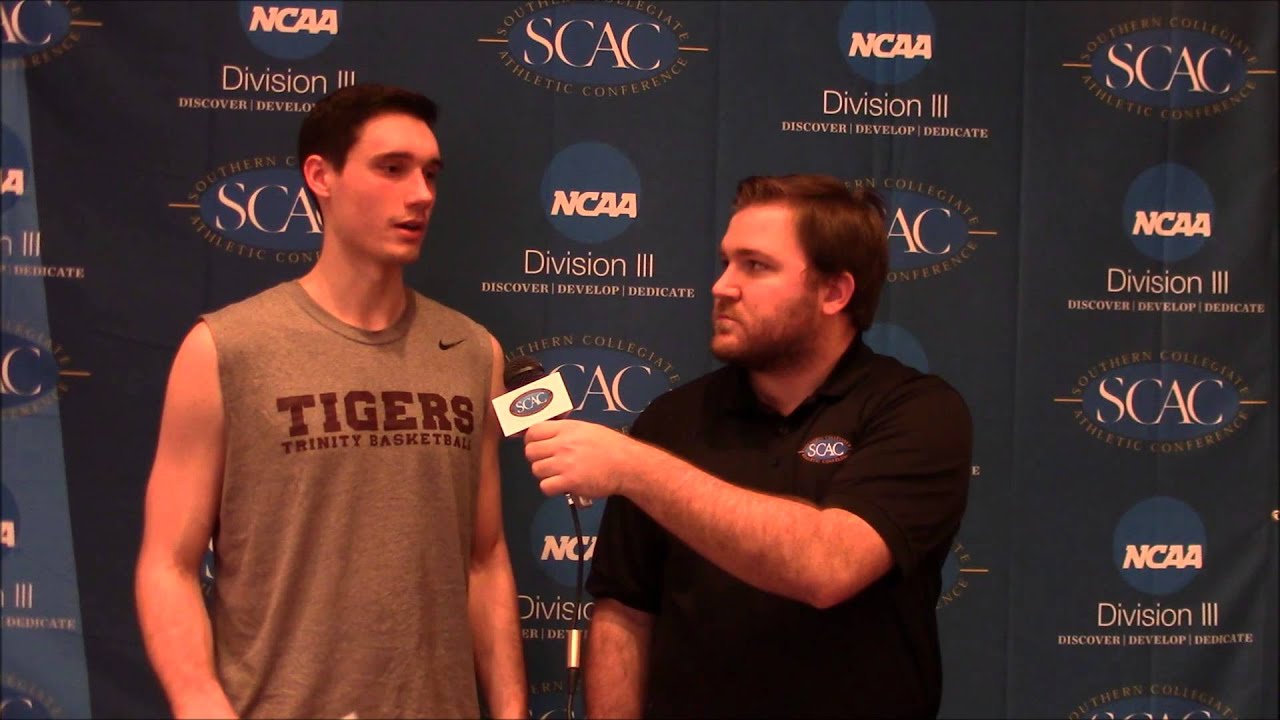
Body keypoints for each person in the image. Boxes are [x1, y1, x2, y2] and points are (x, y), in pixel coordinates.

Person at [135, 84, 527, 719]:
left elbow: (485, 559)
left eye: (430, 173)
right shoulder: (225, 349)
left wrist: (510, 710)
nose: (421, 194)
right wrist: (198, 700)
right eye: (392, 168)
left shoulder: (474, 353)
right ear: (321, 175)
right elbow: (168, 563)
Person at [523, 174, 972, 718]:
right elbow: (626, 611)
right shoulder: (672, 422)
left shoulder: (916, 412)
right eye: (725, 262)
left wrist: (635, 469)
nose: (722, 286)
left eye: (755, 266)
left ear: (835, 291)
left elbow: (829, 566)